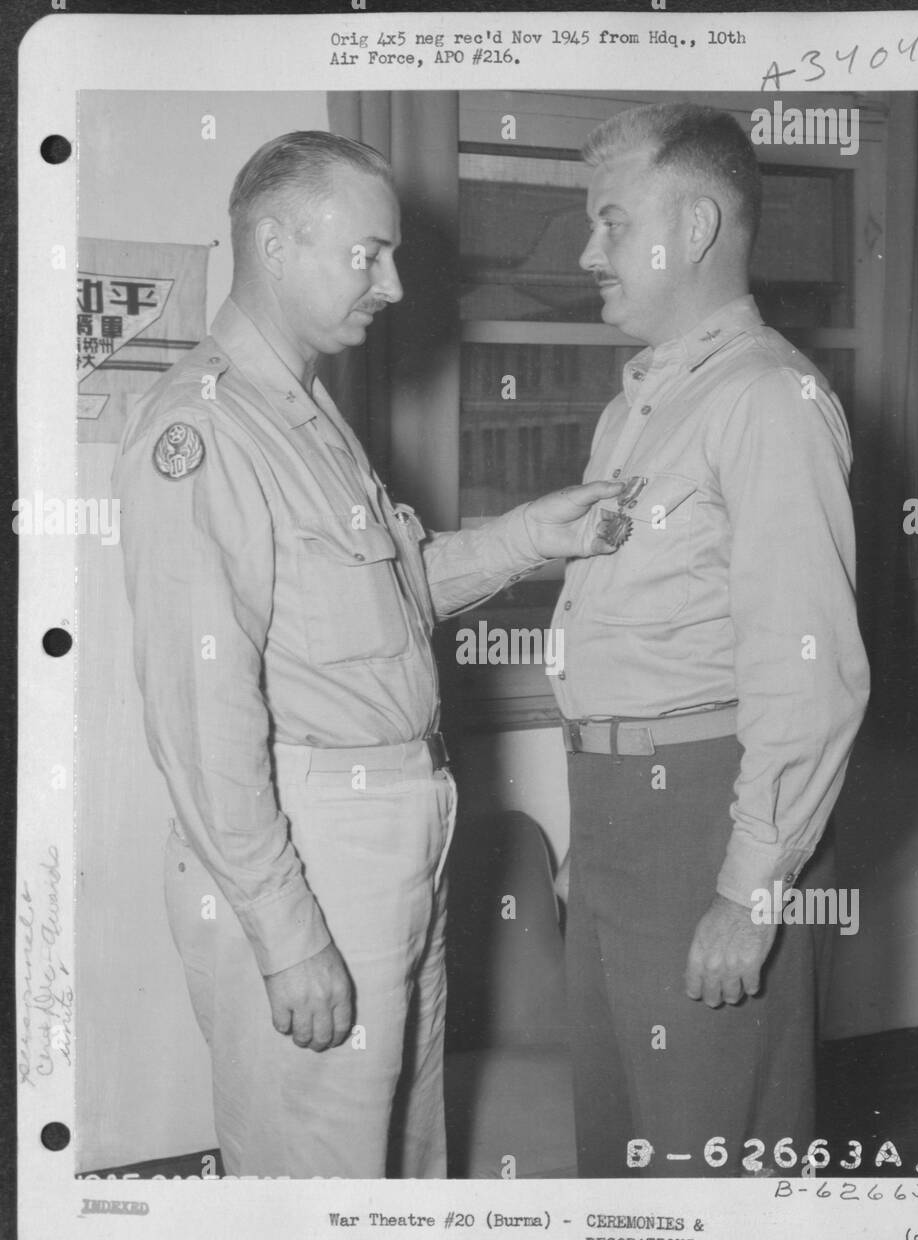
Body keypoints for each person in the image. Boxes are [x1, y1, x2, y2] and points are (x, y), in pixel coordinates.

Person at [113, 130, 621, 1180]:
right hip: (311, 847)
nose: (391, 284)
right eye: (368, 254)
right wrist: (286, 931)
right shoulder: (206, 432)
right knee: (317, 1178)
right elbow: (202, 716)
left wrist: (537, 532)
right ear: (273, 241)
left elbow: (390, 596)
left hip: (391, 834)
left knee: (404, 1160)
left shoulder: (307, 416)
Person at [551, 104, 871, 1177]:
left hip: (711, 819)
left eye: (609, 221)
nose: (589, 251)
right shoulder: (645, 401)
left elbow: (808, 669)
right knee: (620, 1160)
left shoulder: (766, 401)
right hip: (619, 823)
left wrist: (749, 889)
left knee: (712, 1165)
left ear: (693, 227)